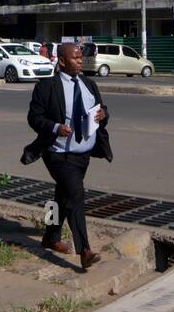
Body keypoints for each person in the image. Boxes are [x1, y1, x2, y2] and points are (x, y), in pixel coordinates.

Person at [21, 43, 111, 270]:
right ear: (62, 61)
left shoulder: (89, 84)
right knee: (75, 195)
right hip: (58, 154)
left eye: (81, 58)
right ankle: (85, 250)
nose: (80, 61)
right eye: (76, 58)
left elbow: (103, 110)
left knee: (62, 196)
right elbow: (34, 117)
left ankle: (50, 236)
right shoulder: (46, 87)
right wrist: (54, 127)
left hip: (84, 154)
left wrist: (103, 114)